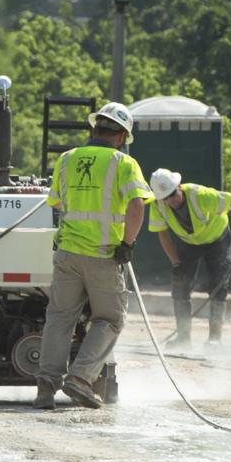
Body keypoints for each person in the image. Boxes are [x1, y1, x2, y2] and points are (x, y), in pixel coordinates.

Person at [35, 102, 151, 410]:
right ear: (122, 137)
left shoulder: (66, 159)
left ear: (94, 129)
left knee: (59, 319)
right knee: (110, 319)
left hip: (67, 253)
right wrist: (127, 243)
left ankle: (46, 389)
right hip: (103, 256)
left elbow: (56, 203)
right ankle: (82, 378)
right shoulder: (123, 162)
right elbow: (137, 206)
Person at [147, 169, 231, 348]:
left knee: (218, 286)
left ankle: (215, 339)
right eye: (165, 197)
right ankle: (183, 337)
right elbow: (162, 234)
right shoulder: (158, 205)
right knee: (180, 285)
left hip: (216, 239)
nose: (171, 200)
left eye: (173, 194)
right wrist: (176, 263)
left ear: (179, 186)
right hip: (188, 241)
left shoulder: (200, 195)